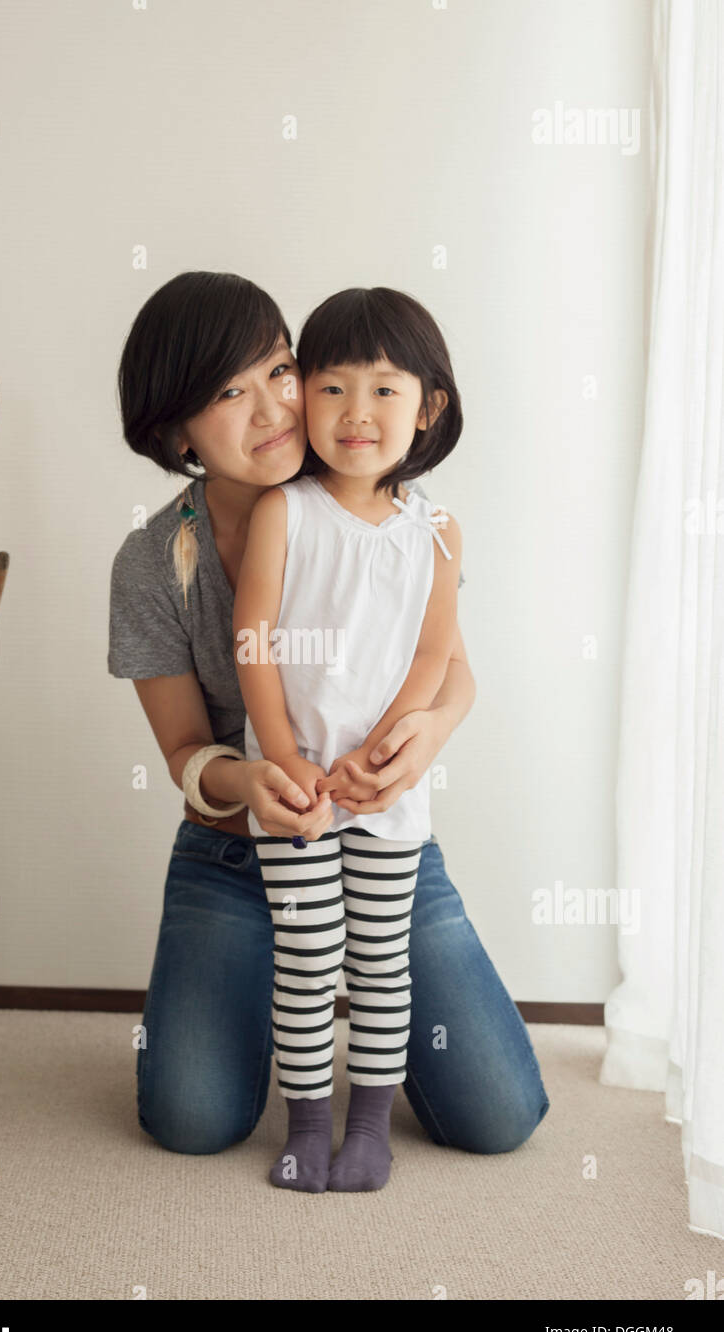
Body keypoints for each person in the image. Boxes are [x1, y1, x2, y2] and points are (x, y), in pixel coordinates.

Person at [109, 270, 549, 1168]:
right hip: (236, 848)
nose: (273, 408)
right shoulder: (155, 560)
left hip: (379, 831)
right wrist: (260, 777)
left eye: (278, 370)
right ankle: (285, 1060)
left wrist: (429, 730)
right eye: (228, 393)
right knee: (192, 1119)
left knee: (499, 1114)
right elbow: (186, 751)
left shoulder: (362, 480)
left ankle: (367, 1110)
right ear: (173, 430)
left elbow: (450, 664)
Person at [235, 286, 468, 1192]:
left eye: (383, 391)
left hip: (383, 794)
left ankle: (368, 1128)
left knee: (380, 961)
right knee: (306, 962)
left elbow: (435, 654)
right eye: (331, 389)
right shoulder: (285, 512)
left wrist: (377, 758)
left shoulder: (437, 531)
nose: (357, 414)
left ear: (428, 407)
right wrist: (288, 758)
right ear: (305, 401)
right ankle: (304, 1125)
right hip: (296, 793)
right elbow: (253, 640)